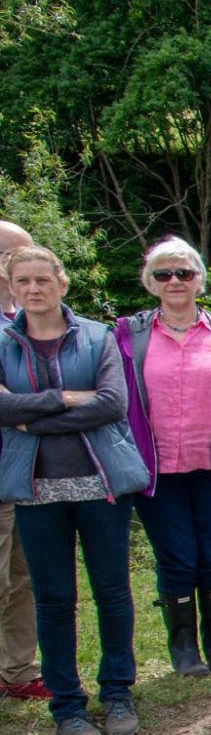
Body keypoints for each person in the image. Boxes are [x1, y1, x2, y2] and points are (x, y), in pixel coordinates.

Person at [0, 245, 150, 735]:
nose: (34, 289)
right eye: (23, 281)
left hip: (100, 485)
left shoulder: (95, 336)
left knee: (112, 592)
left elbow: (112, 404)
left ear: (62, 283)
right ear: (12, 287)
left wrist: (28, 415)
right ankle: (67, 706)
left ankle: (117, 693)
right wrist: (63, 398)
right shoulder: (3, 344)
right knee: (54, 600)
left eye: (43, 279)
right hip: (35, 490)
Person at [114, 237, 211, 677]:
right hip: (156, 469)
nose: (175, 281)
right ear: (150, 281)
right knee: (176, 555)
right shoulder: (128, 337)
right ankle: (184, 647)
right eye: (164, 273)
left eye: (184, 273)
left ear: (199, 280)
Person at [0, 220, 50, 702]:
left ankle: (18, 671)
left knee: (24, 578)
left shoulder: (33, 322)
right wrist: (57, 403)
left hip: (32, 472)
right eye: (16, 254)